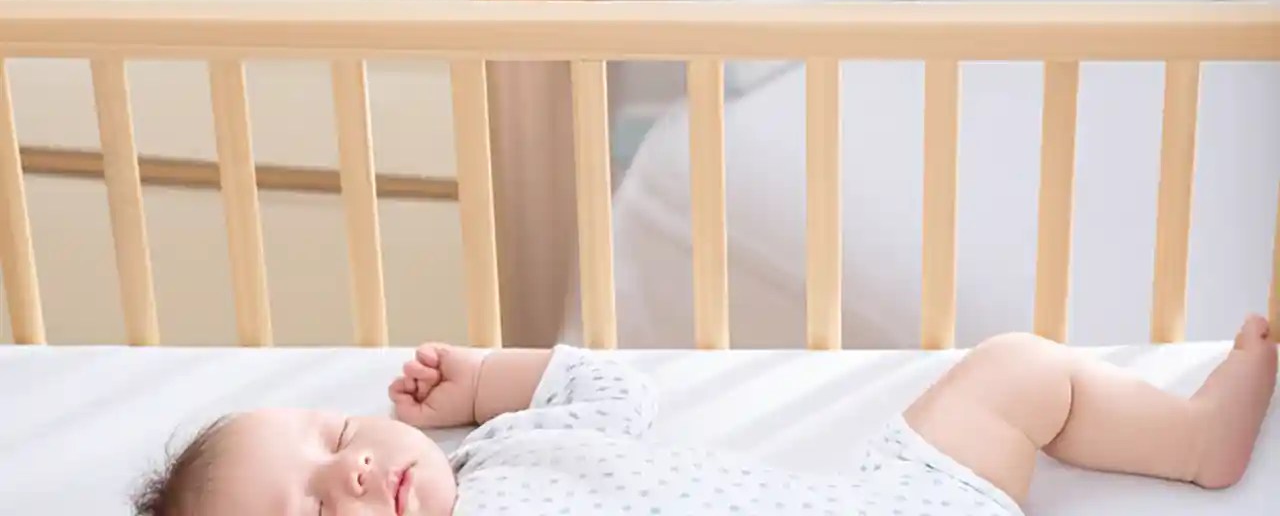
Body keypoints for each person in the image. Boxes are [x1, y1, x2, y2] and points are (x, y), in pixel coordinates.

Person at [133, 316, 1277, 515]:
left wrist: (482, 382)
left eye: (335, 438)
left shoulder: (503, 450)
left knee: (1014, 370)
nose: (348, 475)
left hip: (889, 503)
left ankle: (1191, 439)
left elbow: (614, 393)